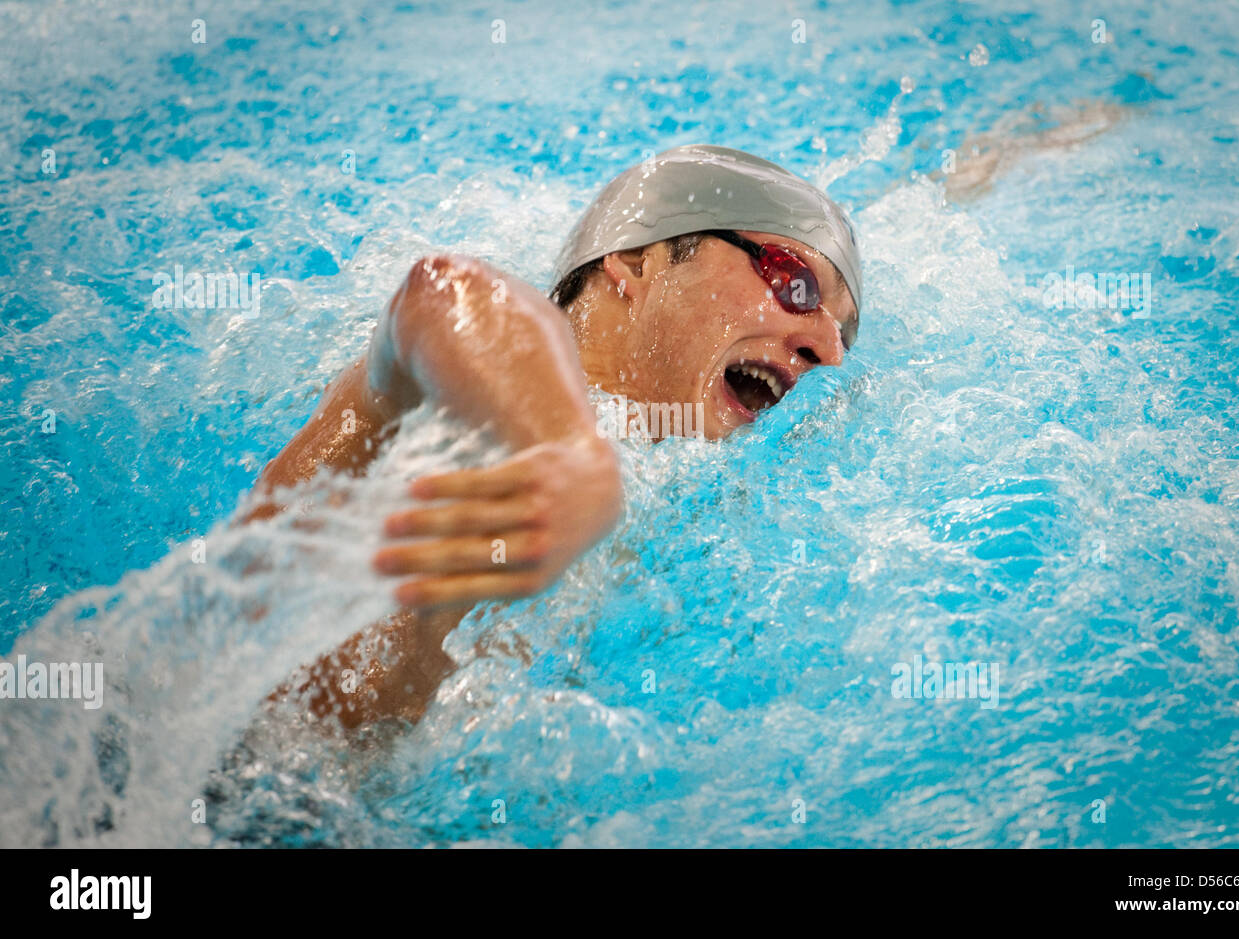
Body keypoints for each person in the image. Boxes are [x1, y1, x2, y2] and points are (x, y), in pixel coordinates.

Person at [243, 144, 862, 731]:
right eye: (794, 284)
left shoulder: (678, 488)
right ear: (637, 259)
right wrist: (567, 453)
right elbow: (436, 296)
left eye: (844, 334)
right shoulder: (461, 392)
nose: (829, 351)